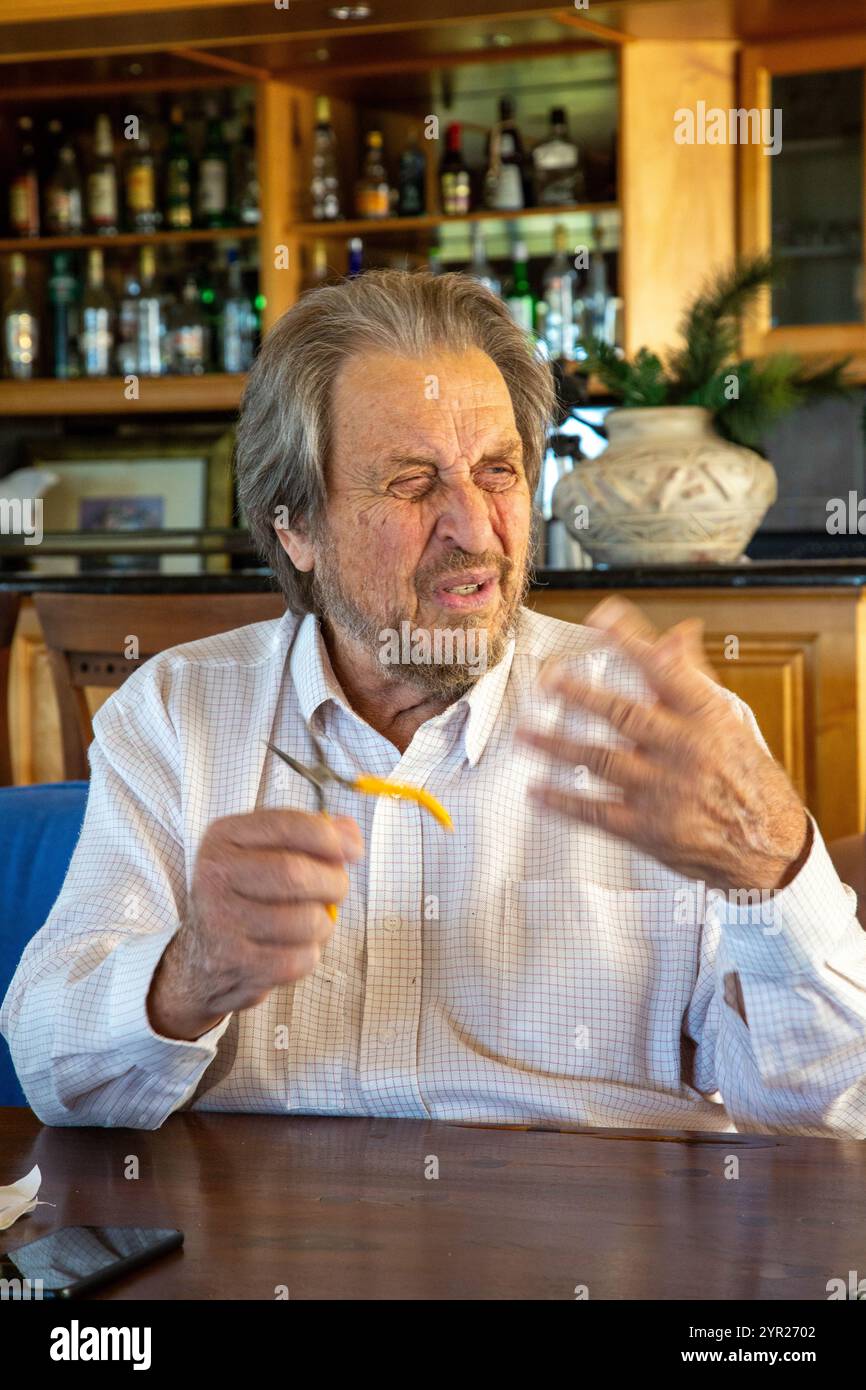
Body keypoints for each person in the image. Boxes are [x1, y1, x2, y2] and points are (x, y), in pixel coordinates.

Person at [3, 270, 866, 1135]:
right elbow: (51, 1069)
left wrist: (772, 864)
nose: (474, 526)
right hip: (262, 1249)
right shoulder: (173, 715)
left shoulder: (663, 731)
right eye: (414, 484)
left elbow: (830, 1116)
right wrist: (192, 973)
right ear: (296, 528)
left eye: (498, 471)